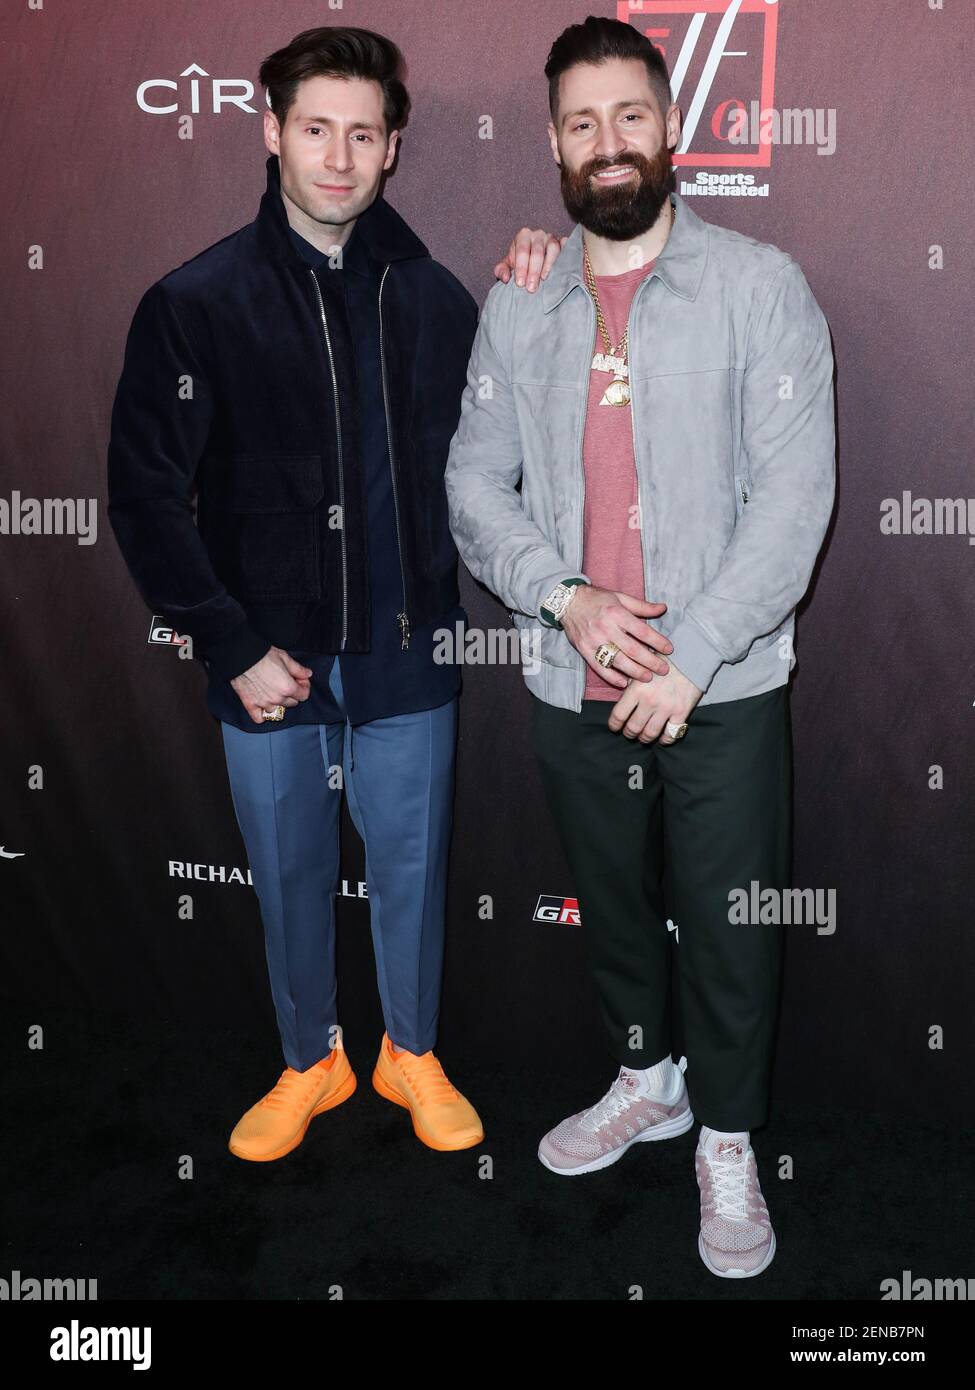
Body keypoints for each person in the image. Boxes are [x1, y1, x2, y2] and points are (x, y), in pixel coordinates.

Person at [106, 25, 561, 1163]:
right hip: (269, 658)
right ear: (271, 131)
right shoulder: (194, 302)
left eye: (364, 134)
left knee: (410, 870)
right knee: (290, 876)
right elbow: (147, 497)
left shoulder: (442, 300)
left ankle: (410, 1052)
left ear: (395, 146)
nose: (340, 157)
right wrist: (229, 642)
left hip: (408, 650)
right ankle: (310, 1060)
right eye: (317, 130)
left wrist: (532, 295)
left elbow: (512, 439)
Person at [446, 15, 836, 1276]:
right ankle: (646, 1081)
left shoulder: (759, 286)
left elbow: (795, 502)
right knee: (613, 911)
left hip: (719, 683)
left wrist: (693, 658)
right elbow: (472, 482)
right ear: (553, 145)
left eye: (628, 116)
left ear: (670, 127)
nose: (606, 144)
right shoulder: (521, 300)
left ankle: (726, 1138)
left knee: (726, 921)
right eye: (579, 122)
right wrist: (562, 597)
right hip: (571, 675)